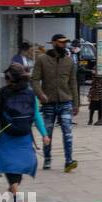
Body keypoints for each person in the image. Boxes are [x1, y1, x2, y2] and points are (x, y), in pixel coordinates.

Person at [0, 64, 48, 202]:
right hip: (25, 135)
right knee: (19, 164)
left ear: (8, 79)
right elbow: (36, 116)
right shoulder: (30, 94)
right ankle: (14, 188)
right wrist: (44, 134)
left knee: (9, 163)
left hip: (6, 134)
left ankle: (14, 190)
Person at [32, 33, 79, 172]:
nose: (64, 44)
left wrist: (76, 103)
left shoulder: (69, 61)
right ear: (53, 43)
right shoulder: (42, 60)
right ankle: (47, 159)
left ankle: (68, 161)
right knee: (48, 133)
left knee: (67, 132)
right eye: (60, 42)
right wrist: (40, 95)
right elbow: (34, 80)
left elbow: (73, 82)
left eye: (65, 42)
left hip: (65, 101)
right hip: (49, 102)